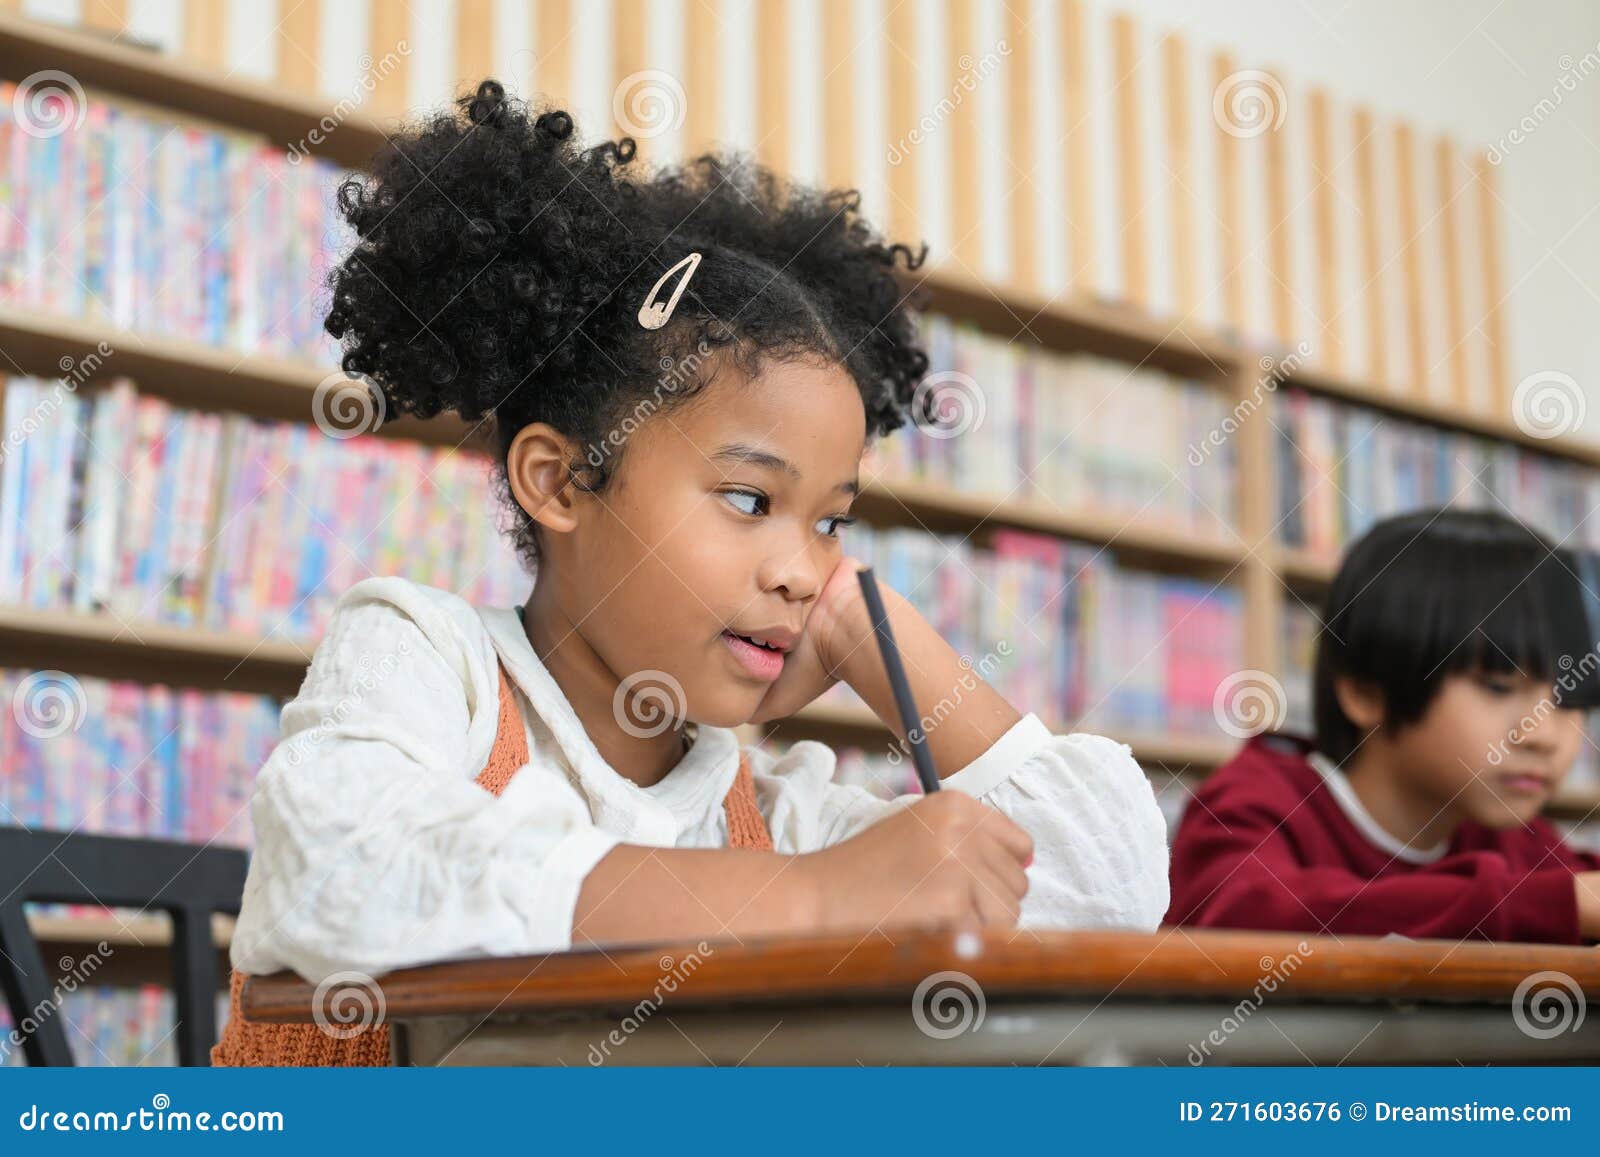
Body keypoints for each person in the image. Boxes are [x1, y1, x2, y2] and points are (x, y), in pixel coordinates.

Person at [1167, 508, 1600, 944]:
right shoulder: (1253, 803)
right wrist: (1555, 904)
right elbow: (1248, 919)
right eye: (1499, 686)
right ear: (1366, 692)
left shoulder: (1514, 838)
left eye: (1570, 698)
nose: (1544, 735)